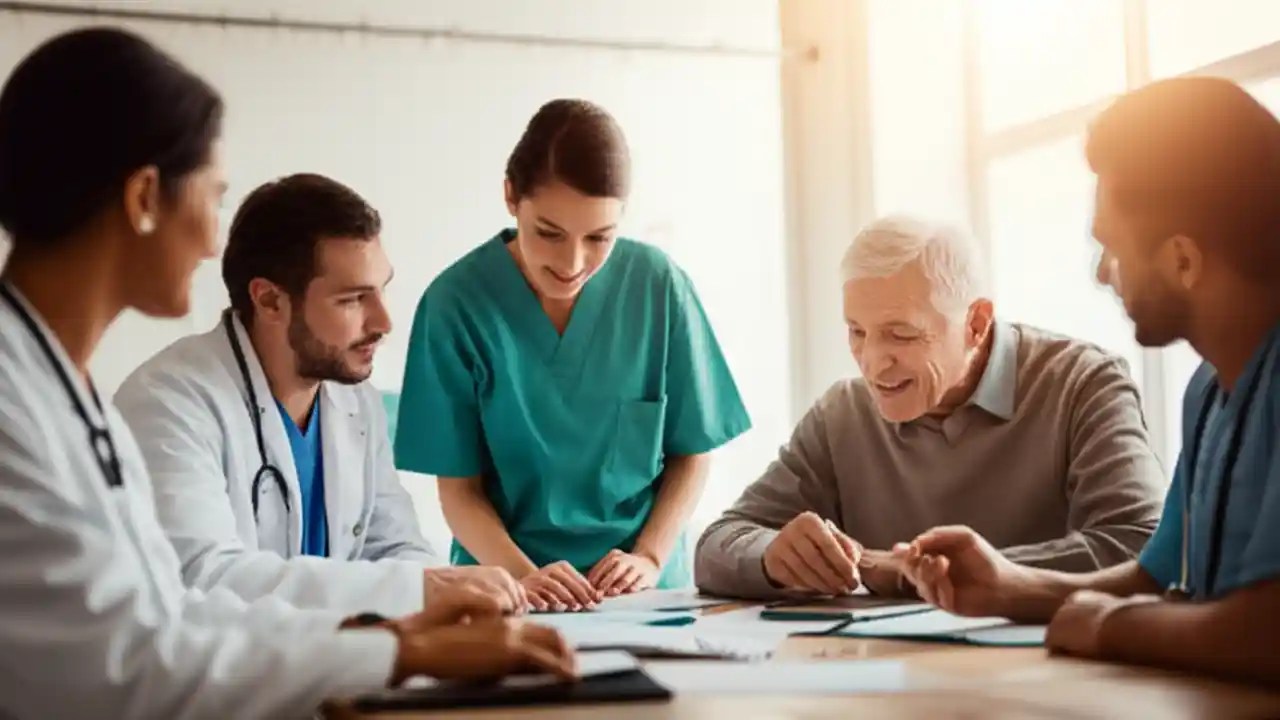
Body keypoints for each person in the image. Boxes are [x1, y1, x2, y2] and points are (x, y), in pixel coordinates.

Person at [0, 27, 573, 718]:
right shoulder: (28, 402)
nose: (216, 241)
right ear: (145, 197)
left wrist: (399, 633)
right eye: (212, 198)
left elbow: (173, 618)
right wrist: (399, 649)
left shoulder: (60, 390)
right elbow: (133, 659)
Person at [891, 77, 1280, 688]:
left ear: (1183, 260)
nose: (1103, 273)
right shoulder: (1208, 390)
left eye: (1114, 249)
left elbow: (1267, 631)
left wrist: (1110, 629)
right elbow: (1150, 579)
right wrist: (1007, 586)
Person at [395, 99, 751, 610]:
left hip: (641, 594)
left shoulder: (658, 287)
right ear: (510, 197)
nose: (573, 262)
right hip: (505, 589)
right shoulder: (456, 305)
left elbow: (691, 453)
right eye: (549, 233)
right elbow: (459, 493)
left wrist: (649, 557)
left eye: (600, 237)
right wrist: (525, 579)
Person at [113, 173, 521, 617]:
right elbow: (202, 577)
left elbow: (400, 548)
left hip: (344, 670)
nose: (383, 321)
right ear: (270, 300)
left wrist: (441, 596)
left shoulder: (354, 400)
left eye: (381, 290)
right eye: (352, 300)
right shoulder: (169, 403)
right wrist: (417, 591)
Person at [695, 216, 1165, 599]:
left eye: (900, 333)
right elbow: (717, 544)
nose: (873, 363)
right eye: (857, 331)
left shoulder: (1083, 384)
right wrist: (772, 557)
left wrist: (923, 572)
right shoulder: (843, 412)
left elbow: (1138, 544)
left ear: (976, 323)